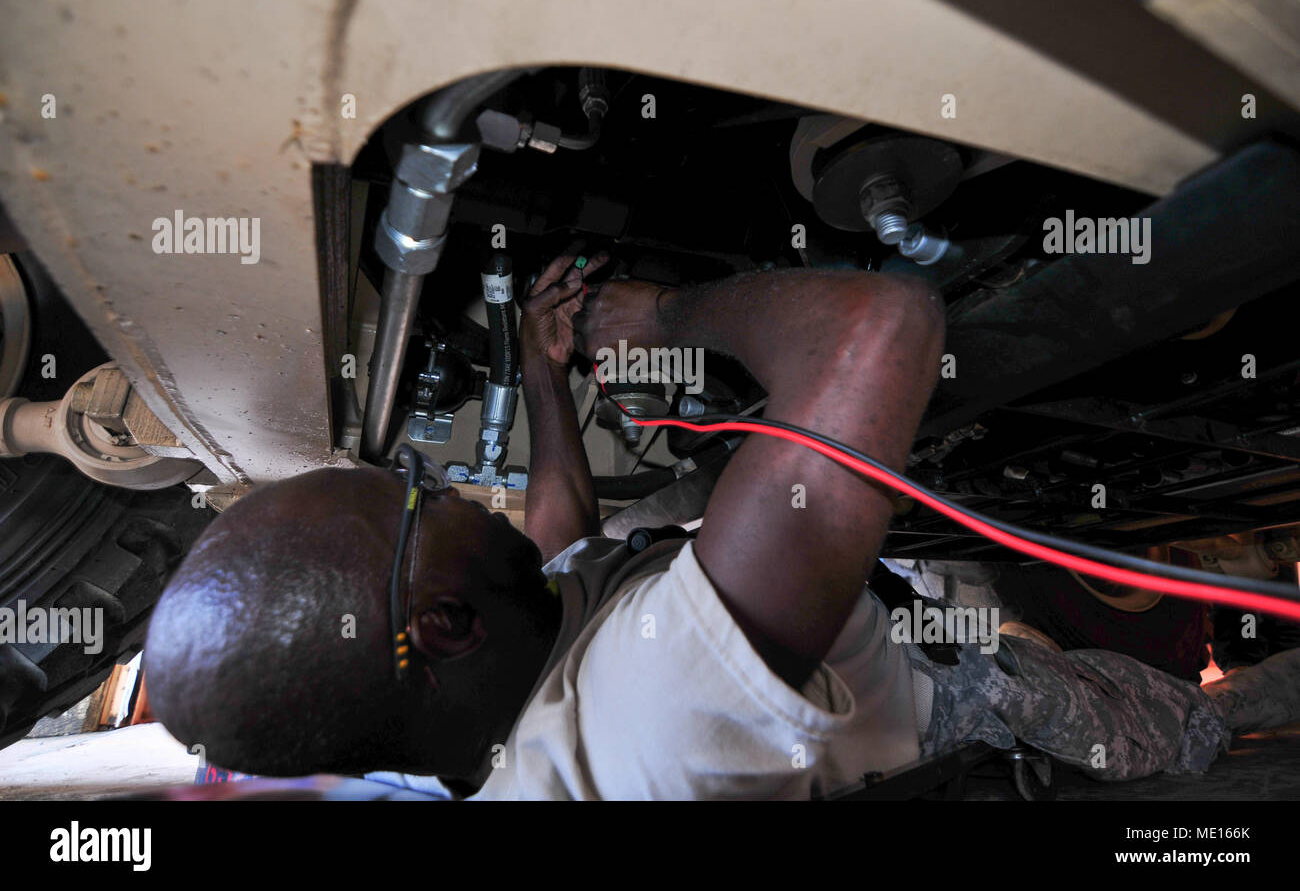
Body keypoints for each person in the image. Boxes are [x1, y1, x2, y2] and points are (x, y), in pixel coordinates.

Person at [144, 254, 1300, 799]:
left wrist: (546, 374)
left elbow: (556, 542)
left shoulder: (499, 694)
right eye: (417, 500)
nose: (445, 489)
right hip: (997, 716)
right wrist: (660, 316)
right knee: (1190, 726)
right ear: (442, 625)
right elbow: (878, 328)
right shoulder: (657, 714)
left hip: (886, 644)